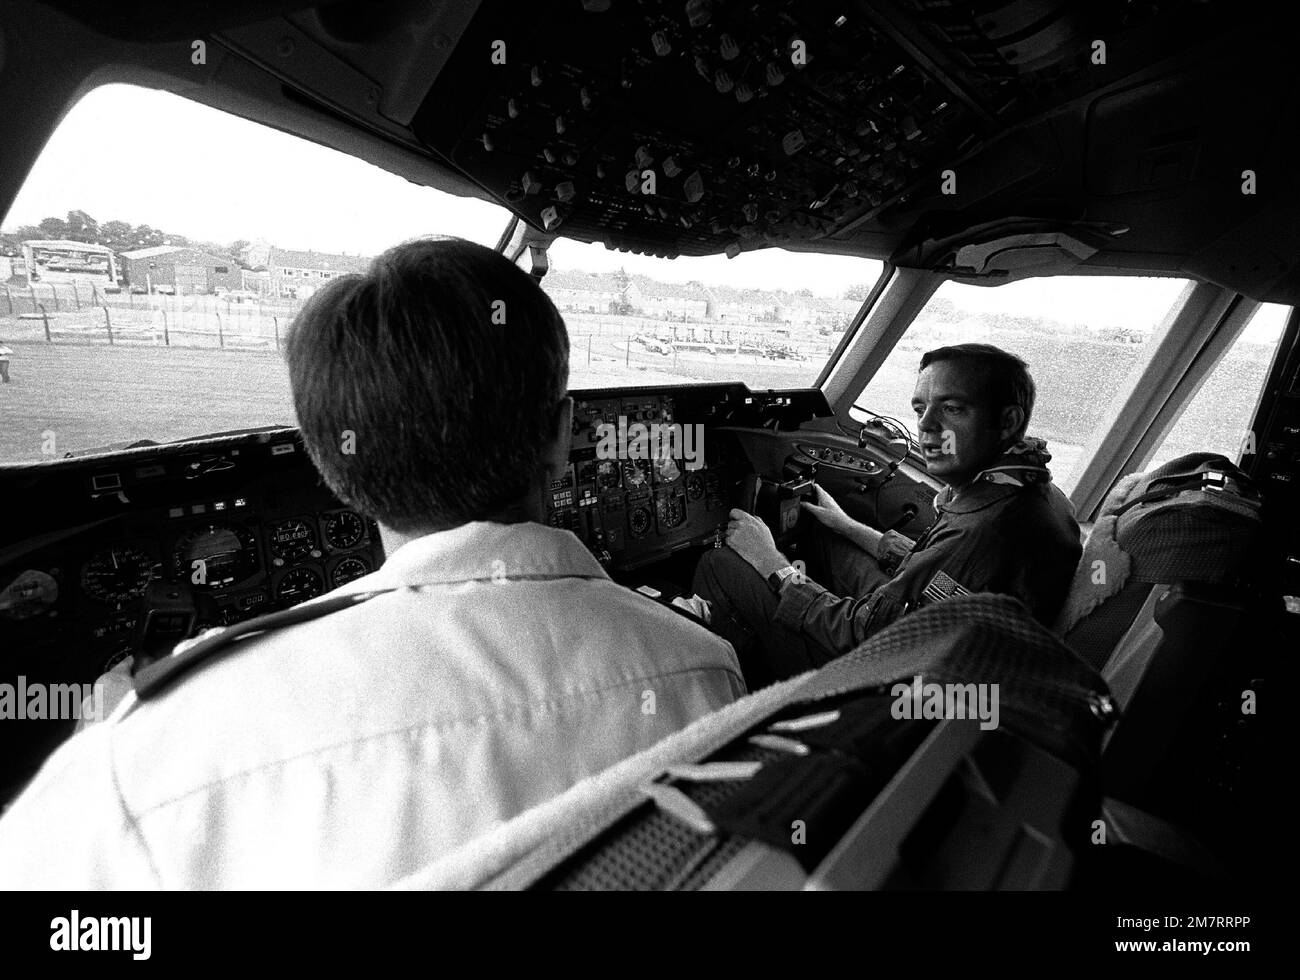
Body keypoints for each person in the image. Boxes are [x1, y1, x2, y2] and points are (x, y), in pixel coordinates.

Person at [0, 238, 745, 888]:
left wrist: (101, 742)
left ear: (331, 464)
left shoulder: (147, 764)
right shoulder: (707, 672)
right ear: (562, 434)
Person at [692, 343, 1082, 689]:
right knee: (820, 533)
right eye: (921, 408)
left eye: (952, 408)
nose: (927, 424)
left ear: (1008, 422)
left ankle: (744, 698)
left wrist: (771, 564)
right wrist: (848, 525)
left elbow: (867, 635)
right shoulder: (1029, 491)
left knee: (721, 562)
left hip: (885, 684)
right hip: (926, 637)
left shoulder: (990, 531)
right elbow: (936, 576)